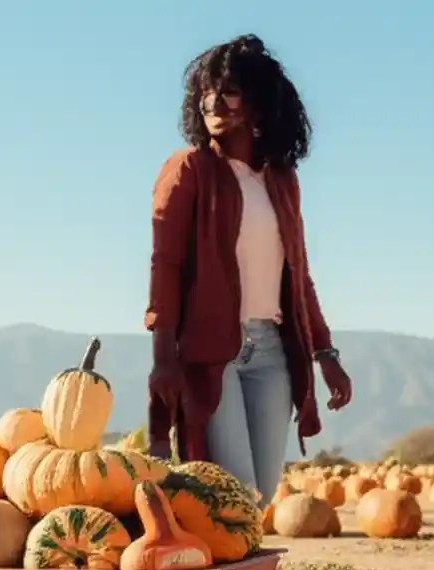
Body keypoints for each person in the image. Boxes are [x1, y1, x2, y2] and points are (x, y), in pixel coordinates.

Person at [146, 34, 353, 504]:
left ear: (260, 102)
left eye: (229, 90)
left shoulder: (281, 180)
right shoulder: (189, 169)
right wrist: (163, 360)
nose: (213, 101)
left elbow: (298, 276)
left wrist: (325, 353)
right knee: (236, 494)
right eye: (206, 91)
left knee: (261, 495)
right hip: (211, 352)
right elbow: (167, 266)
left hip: (272, 351)